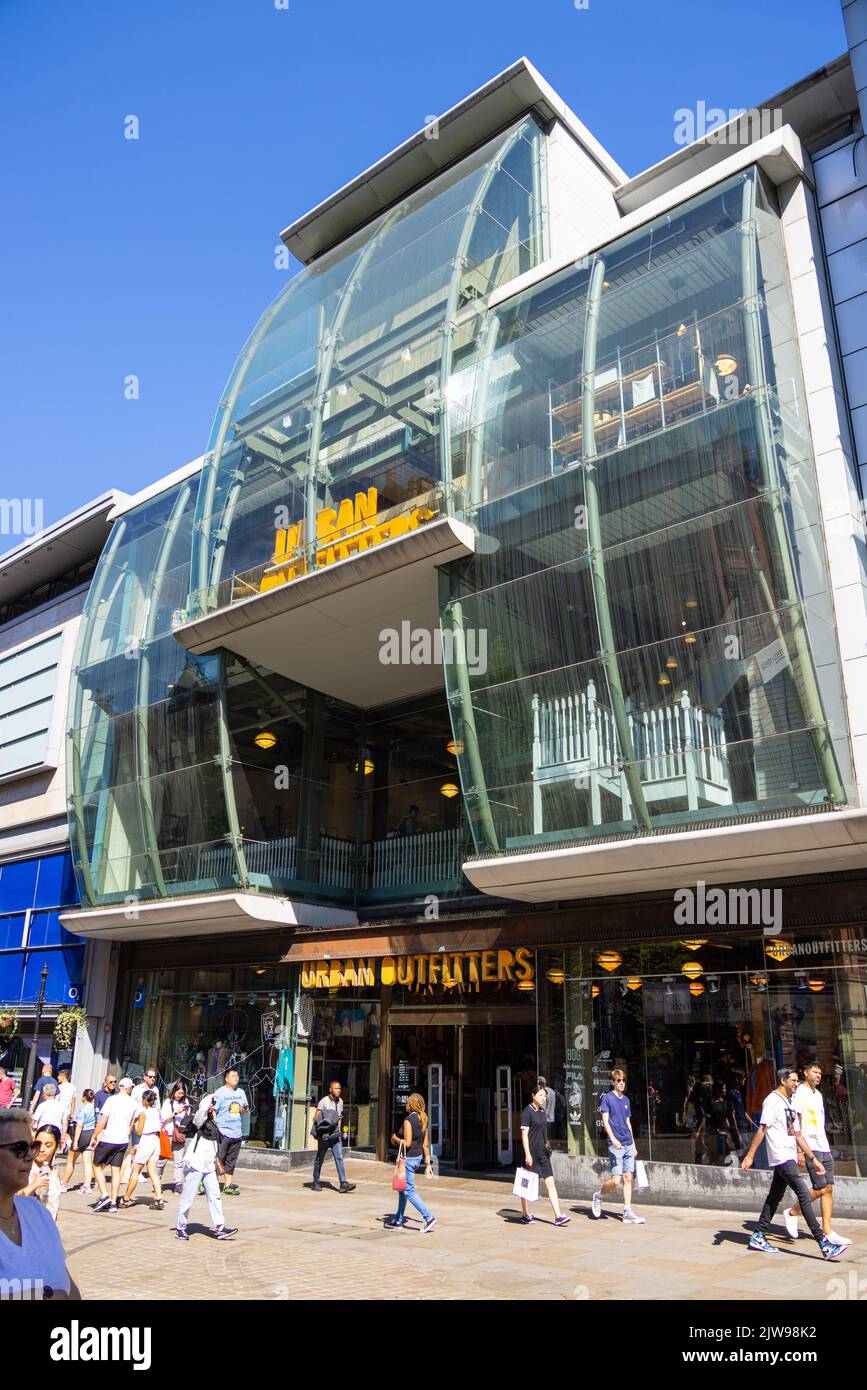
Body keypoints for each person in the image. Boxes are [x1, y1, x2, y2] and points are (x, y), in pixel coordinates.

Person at [741, 1067, 848, 1259]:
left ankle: (758, 1235)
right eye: (793, 1081)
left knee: (774, 1196)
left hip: (789, 1155)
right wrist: (750, 1156)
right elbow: (762, 1129)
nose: (796, 1084)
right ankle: (823, 1244)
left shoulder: (789, 1103)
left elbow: (797, 1134)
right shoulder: (772, 1101)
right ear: (783, 1081)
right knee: (804, 1194)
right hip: (781, 1156)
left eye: (797, 1081)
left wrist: (812, 1158)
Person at [0, 1107, 80, 1298]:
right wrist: (43, 1297)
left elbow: (67, 1283)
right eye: (19, 1149)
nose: (30, 1156)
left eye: (31, 1147)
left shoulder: (38, 1213)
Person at [783, 1062, 850, 1249]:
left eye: (820, 1072)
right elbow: (793, 1123)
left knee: (828, 1188)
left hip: (823, 1146)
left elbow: (819, 1122)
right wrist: (799, 1150)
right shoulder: (799, 1094)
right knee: (820, 1188)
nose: (818, 1075)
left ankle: (828, 1231)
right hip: (809, 1146)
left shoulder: (818, 1095)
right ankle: (792, 1212)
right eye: (815, 1072)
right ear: (805, 1073)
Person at [175, 1094, 238, 1242]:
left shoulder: (213, 1121)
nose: (214, 1107)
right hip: (196, 1163)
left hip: (209, 1165)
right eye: (213, 1104)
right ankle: (181, 1228)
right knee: (188, 1197)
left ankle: (220, 1227)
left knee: (215, 1195)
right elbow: (199, 1116)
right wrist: (207, 1100)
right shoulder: (200, 1117)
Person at [592, 1067, 647, 1223]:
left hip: (628, 1142)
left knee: (628, 1177)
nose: (621, 1083)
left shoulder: (627, 1100)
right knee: (616, 1180)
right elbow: (605, 1120)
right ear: (613, 1082)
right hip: (615, 1144)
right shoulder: (607, 1098)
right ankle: (599, 1195)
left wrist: (634, 1144)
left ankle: (627, 1211)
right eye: (618, 1080)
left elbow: (628, 1122)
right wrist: (612, 1138)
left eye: (623, 1080)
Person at [518, 1083, 569, 1226]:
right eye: (540, 1095)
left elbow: (543, 1131)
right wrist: (527, 1154)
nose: (543, 1098)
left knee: (550, 1182)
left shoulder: (542, 1112)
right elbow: (524, 1134)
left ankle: (558, 1216)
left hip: (543, 1154)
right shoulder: (526, 1112)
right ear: (533, 1096)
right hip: (531, 1153)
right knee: (526, 1184)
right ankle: (525, 1213)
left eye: (545, 1096)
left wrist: (547, 1143)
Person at [89, 1076, 137, 1212]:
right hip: (122, 1140)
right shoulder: (133, 1103)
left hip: (109, 1138)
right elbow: (131, 1124)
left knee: (96, 1164)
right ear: (128, 1088)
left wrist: (94, 1135)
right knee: (116, 1170)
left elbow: (103, 1121)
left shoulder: (112, 1100)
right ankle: (114, 1202)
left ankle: (105, 1195)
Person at [389, 1092, 436, 1232]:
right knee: (402, 1190)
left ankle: (429, 1217)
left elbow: (407, 1143)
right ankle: (399, 1219)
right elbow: (425, 1145)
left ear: (412, 1105)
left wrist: (394, 1139)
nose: (406, 1104)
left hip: (408, 1159)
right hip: (418, 1158)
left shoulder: (408, 1121)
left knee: (408, 1191)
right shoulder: (423, 1119)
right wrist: (428, 1164)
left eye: (408, 1102)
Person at [119, 1089, 164, 1210]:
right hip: (156, 1140)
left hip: (146, 1140)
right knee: (152, 1171)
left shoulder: (144, 1113)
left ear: (144, 1100)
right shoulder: (157, 1111)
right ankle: (159, 1198)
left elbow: (139, 1131)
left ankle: (126, 1199)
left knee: (135, 1171)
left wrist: (134, 1124)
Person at [310, 1080, 355, 1193]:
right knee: (320, 1158)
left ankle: (343, 1183)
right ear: (330, 1089)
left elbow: (339, 1119)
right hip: (325, 1135)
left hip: (335, 1135)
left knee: (339, 1158)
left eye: (339, 1088)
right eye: (335, 1088)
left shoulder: (340, 1102)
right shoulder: (324, 1101)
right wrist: (326, 1119)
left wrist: (338, 1132)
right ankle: (315, 1181)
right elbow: (316, 1117)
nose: (338, 1090)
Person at [212, 1067, 249, 1197]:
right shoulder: (220, 1092)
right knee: (218, 1158)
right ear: (226, 1079)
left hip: (236, 1132)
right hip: (223, 1131)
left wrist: (244, 1109)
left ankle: (227, 1186)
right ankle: (206, 1183)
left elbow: (245, 1109)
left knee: (231, 1160)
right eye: (233, 1076)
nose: (236, 1078)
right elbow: (213, 1110)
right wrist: (215, 1126)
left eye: (237, 1076)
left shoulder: (241, 1092)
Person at [19, 1125, 63, 1221]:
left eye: (48, 1145)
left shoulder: (54, 1173)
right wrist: (33, 1185)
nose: (42, 1149)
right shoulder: (23, 1168)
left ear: (57, 1146)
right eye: (38, 1144)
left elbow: (54, 1206)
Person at [61, 1089, 96, 1194]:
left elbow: (79, 1126)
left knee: (71, 1160)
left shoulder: (83, 1110)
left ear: (84, 1097)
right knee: (87, 1162)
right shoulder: (94, 1109)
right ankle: (87, 1185)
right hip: (90, 1134)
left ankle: (64, 1184)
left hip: (82, 1135)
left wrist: (75, 1141)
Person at [162, 1081, 192, 1195]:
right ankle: (157, 1179)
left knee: (179, 1161)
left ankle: (178, 1183)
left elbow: (188, 1116)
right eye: (179, 1093)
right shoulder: (168, 1102)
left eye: (183, 1093)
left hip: (179, 1134)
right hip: (168, 1134)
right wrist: (175, 1112)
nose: (181, 1095)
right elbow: (163, 1118)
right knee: (162, 1160)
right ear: (174, 1091)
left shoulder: (185, 1101)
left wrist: (186, 1111)